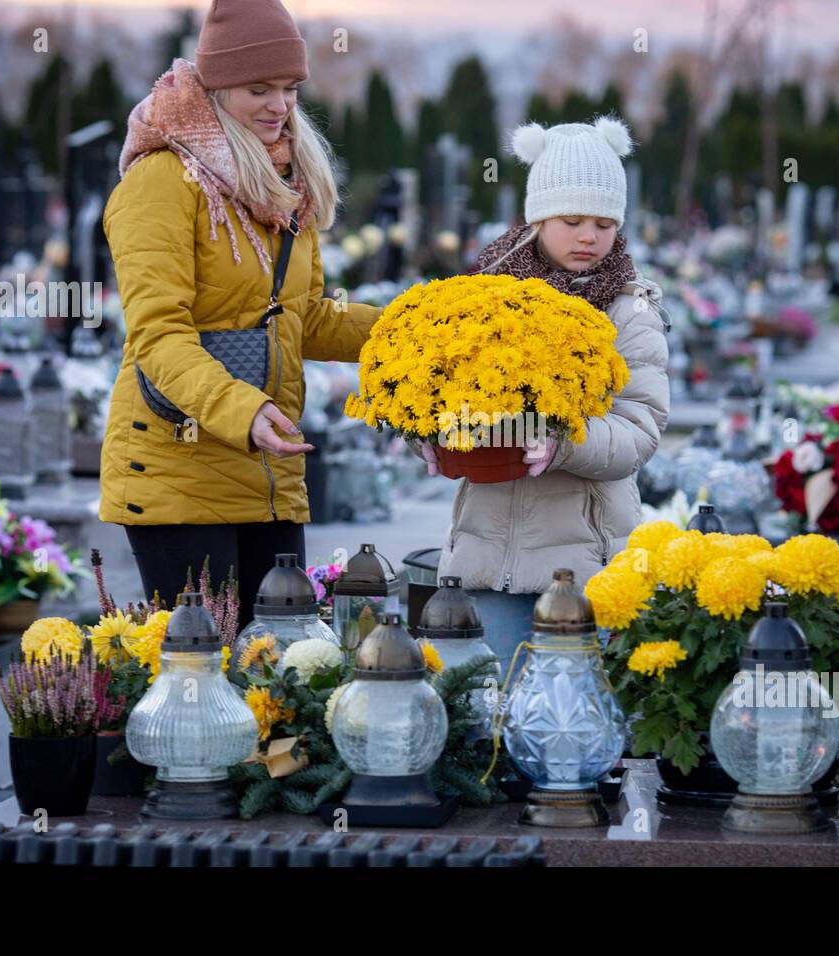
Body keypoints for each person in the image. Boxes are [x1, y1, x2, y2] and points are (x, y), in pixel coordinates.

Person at [99, 0, 381, 625]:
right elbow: (159, 337)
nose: (279, 104)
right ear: (216, 86)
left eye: (288, 88)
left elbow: (306, 317)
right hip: (180, 471)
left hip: (270, 474)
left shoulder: (284, 189)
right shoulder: (161, 182)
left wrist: (419, 329)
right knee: (205, 682)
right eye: (259, 87)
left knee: (281, 671)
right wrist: (244, 410)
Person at [413, 117, 671, 671]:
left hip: (584, 566)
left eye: (604, 223)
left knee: (571, 719)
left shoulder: (630, 311)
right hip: (487, 558)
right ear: (537, 219)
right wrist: (425, 433)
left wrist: (564, 443)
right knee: (491, 716)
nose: (588, 236)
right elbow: (439, 390)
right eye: (572, 219)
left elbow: (640, 428)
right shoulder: (485, 295)